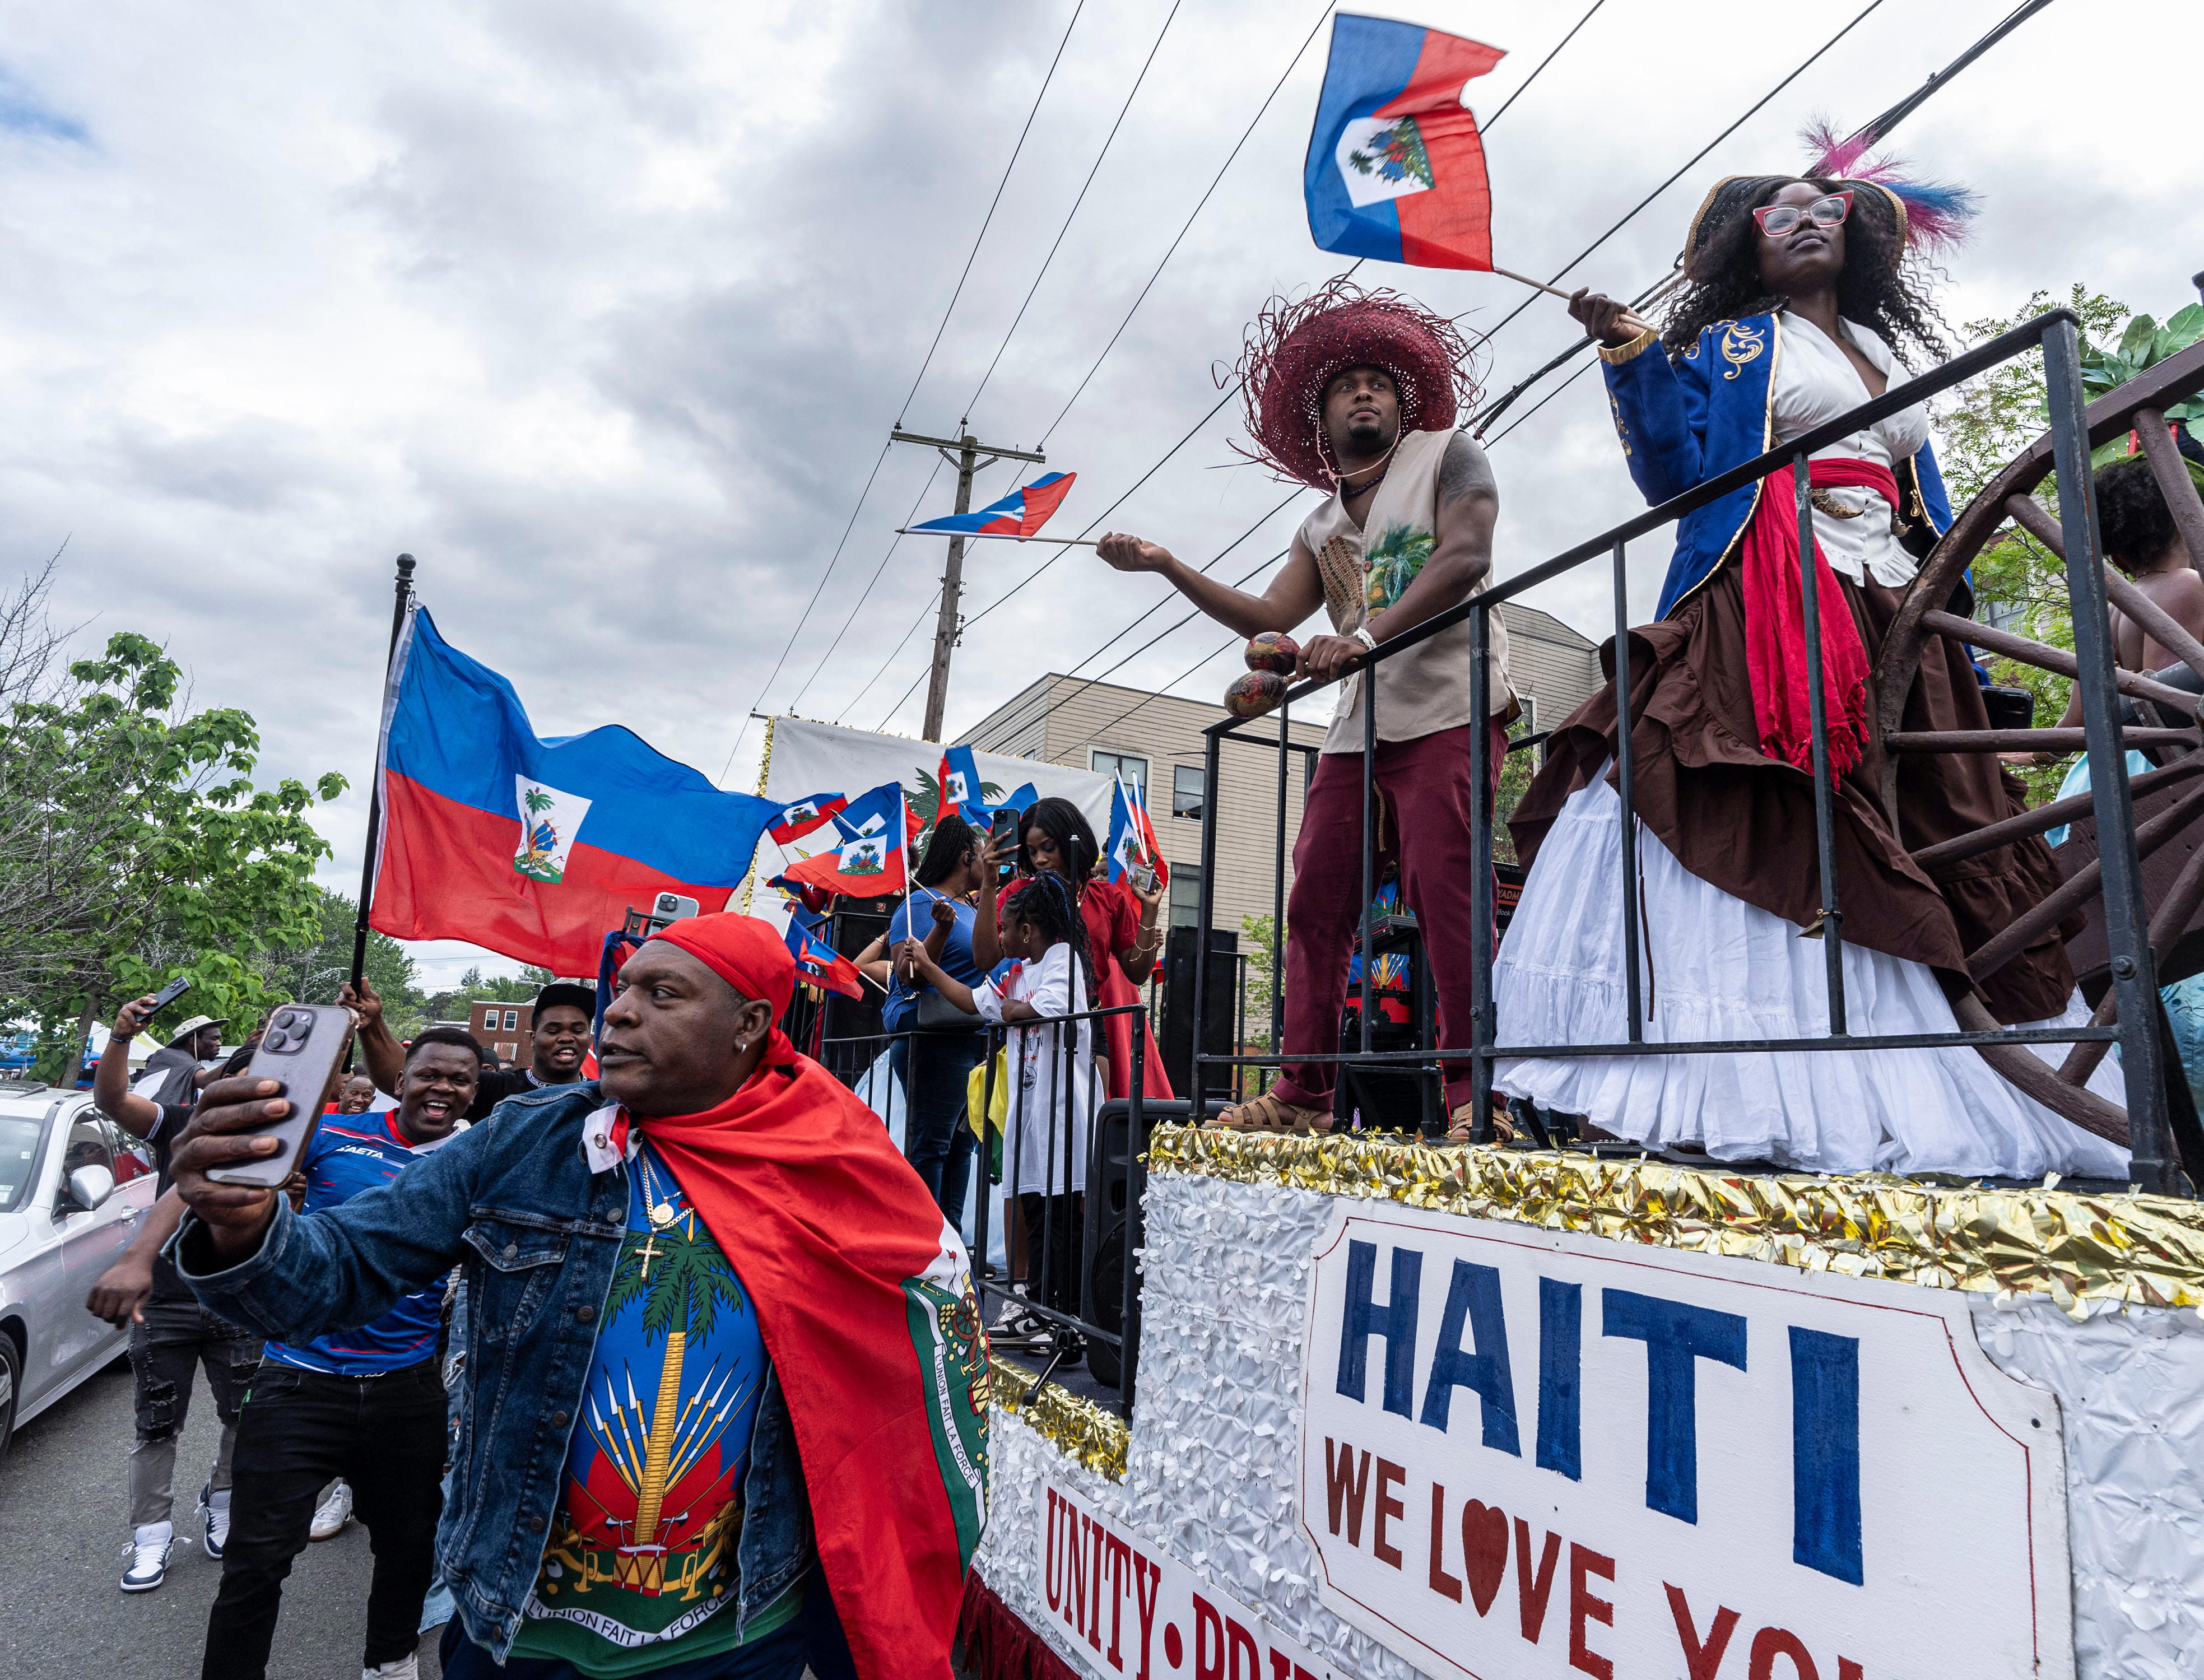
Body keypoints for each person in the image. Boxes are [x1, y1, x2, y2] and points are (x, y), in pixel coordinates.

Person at [1496, 169, 2125, 1179]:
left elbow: (1928, 500)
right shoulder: (1732, 344)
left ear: (1854, 242)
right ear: (1747, 246)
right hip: (1771, 588)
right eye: (1777, 213)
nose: (1801, 222)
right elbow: (1674, 475)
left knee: (1938, 810)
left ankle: (1961, 1067)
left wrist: (1952, 615)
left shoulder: (1878, 353)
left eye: (1821, 211)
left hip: (1892, 599)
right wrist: (1627, 353)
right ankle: (1772, 1082)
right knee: (1772, 795)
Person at [164, 913, 989, 1680]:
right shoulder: (526, 1136)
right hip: (518, 1620)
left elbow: (917, 1356)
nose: (618, 1013)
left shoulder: (835, 1157)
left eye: (660, 994)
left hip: (736, 1637)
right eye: (621, 990)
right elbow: (337, 1271)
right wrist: (244, 1225)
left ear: (748, 1024)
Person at [1095, 280, 1512, 1134]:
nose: (1363, 391)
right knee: (1313, 901)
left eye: (1378, 383)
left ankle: (1479, 1096)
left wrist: (1366, 633)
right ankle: (1302, 1095)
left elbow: (1466, 556)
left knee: (1449, 897)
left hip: (1451, 705)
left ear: (1402, 404)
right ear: (1320, 421)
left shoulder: (1450, 455)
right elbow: (1268, 618)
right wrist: (1167, 564)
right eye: (1343, 386)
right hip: (1359, 727)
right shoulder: (1318, 525)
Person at [192, 1027, 481, 1680]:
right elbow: (224, 1187)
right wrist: (138, 1256)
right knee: (255, 1560)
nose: (442, 1087)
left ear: (473, 1091)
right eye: (428, 1073)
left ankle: (389, 1662)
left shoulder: (472, 1160)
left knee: (409, 1549)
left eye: (459, 1080)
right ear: (400, 1079)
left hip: (407, 1387)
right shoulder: (331, 1133)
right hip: (297, 1380)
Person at [85, 1001, 262, 1595]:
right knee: (157, 1422)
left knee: (246, 1415)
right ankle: (152, 1533)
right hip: (164, 1300)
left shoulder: (283, 1143)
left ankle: (224, 1500)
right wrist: (119, 1037)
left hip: (238, 1303)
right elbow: (112, 1103)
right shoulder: (180, 1121)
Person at [905, 873, 1097, 1326]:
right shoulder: (1018, 974)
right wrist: (930, 969)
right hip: (1030, 1118)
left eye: (1006, 928)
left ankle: (1064, 1319)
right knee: (1034, 1211)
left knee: (1060, 1218)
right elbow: (975, 1002)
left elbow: (1044, 1006)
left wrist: (1015, 1009)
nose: (1000, 937)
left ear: (1026, 931)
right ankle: (1038, 1309)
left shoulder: (1062, 958)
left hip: (1061, 1116)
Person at [971, 797, 1173, 1107]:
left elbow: (1137, 972)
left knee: (1088, 1129)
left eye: (1048, 848)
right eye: (1032, 851)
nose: (1039, 859)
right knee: (1035, 1134)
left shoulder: (1107, 898)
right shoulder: (1017, 894)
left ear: (1070, 841)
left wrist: (1149, 911)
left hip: (1089, 1024)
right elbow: (985, 959)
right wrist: (988, 884)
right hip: (1031, 1030)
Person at [881, 814, 989, 1223]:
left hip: (968, 1039)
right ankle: (925, 1242)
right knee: (933, 1145)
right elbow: (907, 974)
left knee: (960, 1148)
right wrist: (940, 931)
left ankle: (953, 1242)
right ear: (966, 856)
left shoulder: (972, 906)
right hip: (933, 1043)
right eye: (981, 854)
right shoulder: (920, 904)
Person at [348, 976, 594, 1119]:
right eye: (553, 1031)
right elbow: (403, 1078)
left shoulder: (604, 1099)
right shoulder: (494, 1088)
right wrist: (372, 1026)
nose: (566, 1038)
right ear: (531, 1038)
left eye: (578, 1030)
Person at [141, 1012, 230, 1107]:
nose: (219, 1044)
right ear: (193, 1040)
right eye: (214, 1039)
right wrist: (241, 1053)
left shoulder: (187, 1066)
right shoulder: (170, 1055)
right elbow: (206, 1081)